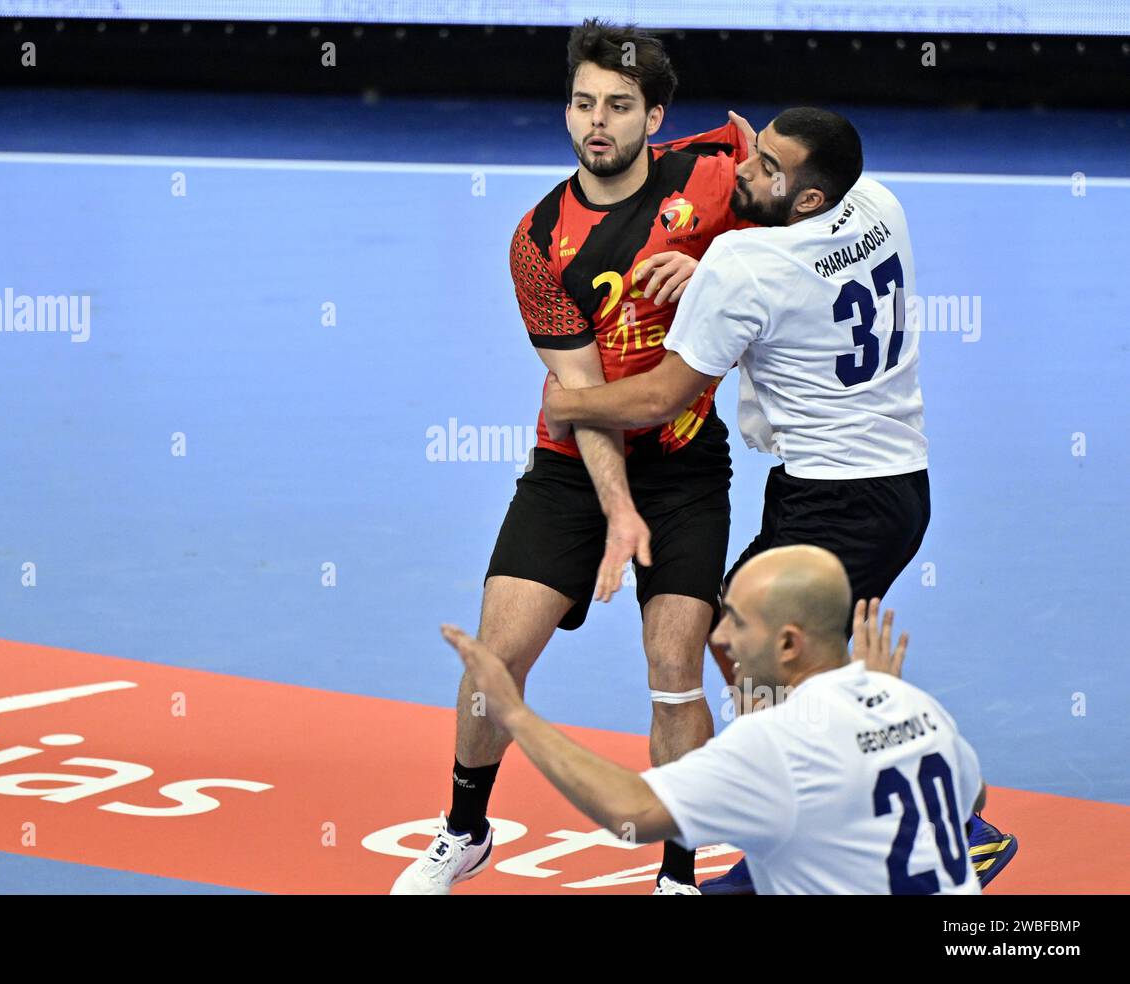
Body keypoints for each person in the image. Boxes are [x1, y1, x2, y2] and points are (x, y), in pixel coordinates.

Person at [541, 107, 1016, 893]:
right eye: (754, 151)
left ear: (804, 199)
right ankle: (814, 829)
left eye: (765, 167)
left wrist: (571, 403)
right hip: (896, 486)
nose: (744, 172)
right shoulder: (877, 203)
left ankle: (953, 829)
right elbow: (803, 276)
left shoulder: (742, 263)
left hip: (836, 501)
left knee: (751, 641)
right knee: (775, 652)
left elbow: (663, 395)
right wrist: (716, 280)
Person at [392, 18, 755, 895]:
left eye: (620, 106)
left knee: (674, 667)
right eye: (585, 103)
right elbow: (581, 396)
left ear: (653, 115)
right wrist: (617, 509)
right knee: (497, 654)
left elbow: (793, 195)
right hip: (574, 462)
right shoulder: (537, 240)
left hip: (687, 461)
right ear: (567, 113)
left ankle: (677, 872)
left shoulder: (712, 176)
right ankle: (466, 831)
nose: (600, 121)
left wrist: (718, 270)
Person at [439, 545, 1003, 895]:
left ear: (788, 642)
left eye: (737, 621)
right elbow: (970, 801)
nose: (722, 636)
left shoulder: (777, 742)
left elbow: (629, 811)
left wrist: (513, 712)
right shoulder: (916, 707)